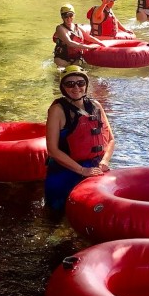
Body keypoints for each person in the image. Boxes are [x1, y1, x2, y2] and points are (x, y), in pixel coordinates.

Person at [44, 65, 114, 210]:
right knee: (57, 211)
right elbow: (52, 149)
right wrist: (82, 170)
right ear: (63, 87)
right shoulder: (57, 110)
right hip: (65, 169)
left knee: (96, 210)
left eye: (80, 83)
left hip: (95, 167)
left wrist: (105, 161)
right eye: (70, 84)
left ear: (86, 85)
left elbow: (111, 139)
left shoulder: (95, 106)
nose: (76, 88)